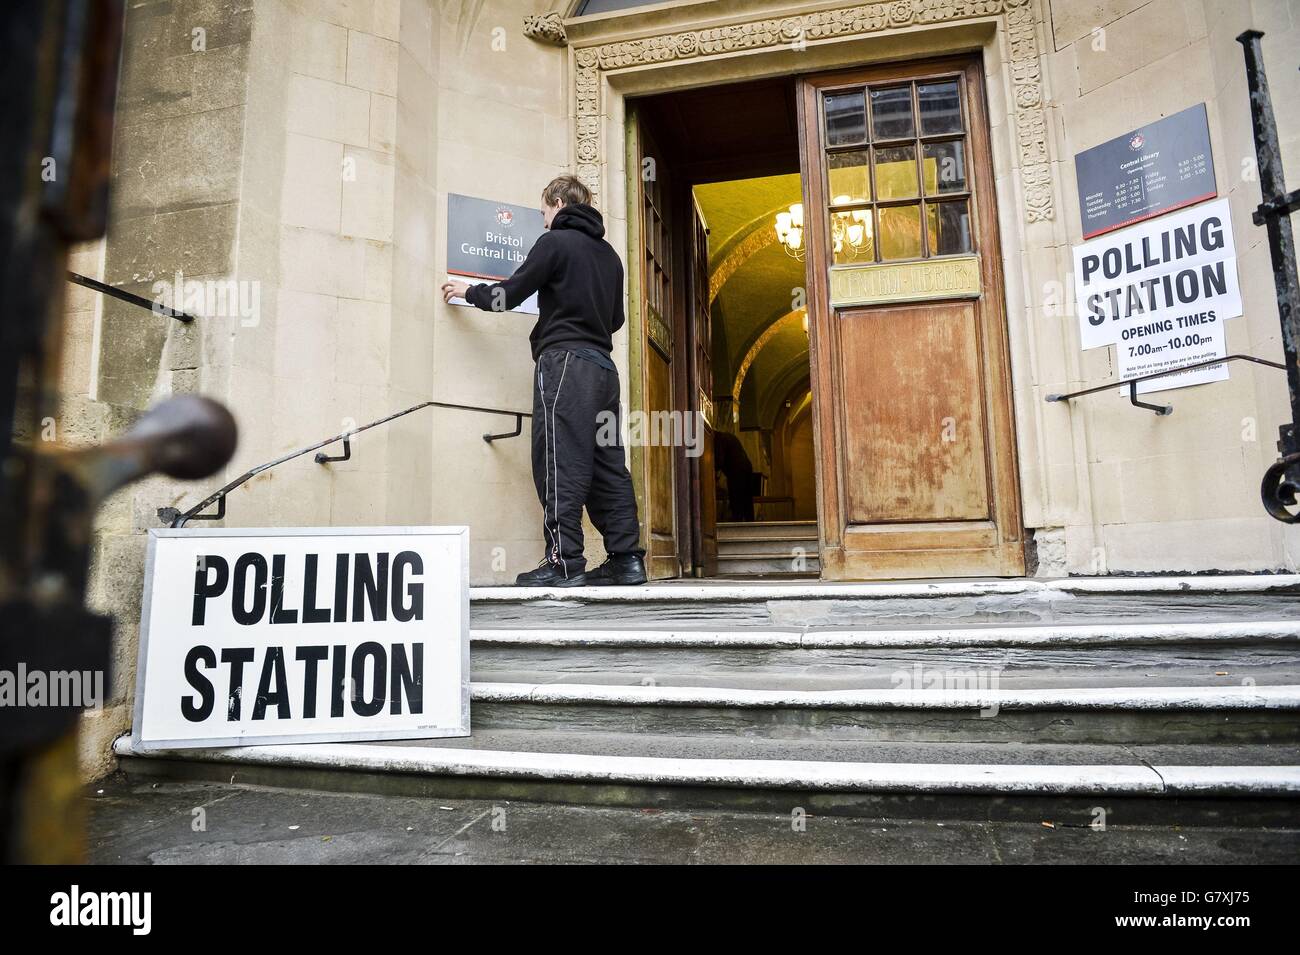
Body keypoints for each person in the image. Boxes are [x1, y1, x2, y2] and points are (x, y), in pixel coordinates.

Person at [441, 175, 647, 587]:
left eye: (543, 213)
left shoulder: (554, 242)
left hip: (565, 365)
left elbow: (510, 295)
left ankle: (564, 561)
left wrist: (469, 292)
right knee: (609, 466)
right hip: (604, 372)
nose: (543, 221)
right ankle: (627, 561)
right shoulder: (610, 256)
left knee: (559, 461)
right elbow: (616, 320)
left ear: (556, 203)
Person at [713, 429, 755, 521]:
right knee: (747, 499)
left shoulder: (719, 439)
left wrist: (712, 471)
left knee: (736, 498)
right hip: (746, 468)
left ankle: (738, 520)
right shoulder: (727, 436)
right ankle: (750, 521)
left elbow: (719, 460)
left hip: (736, 471)